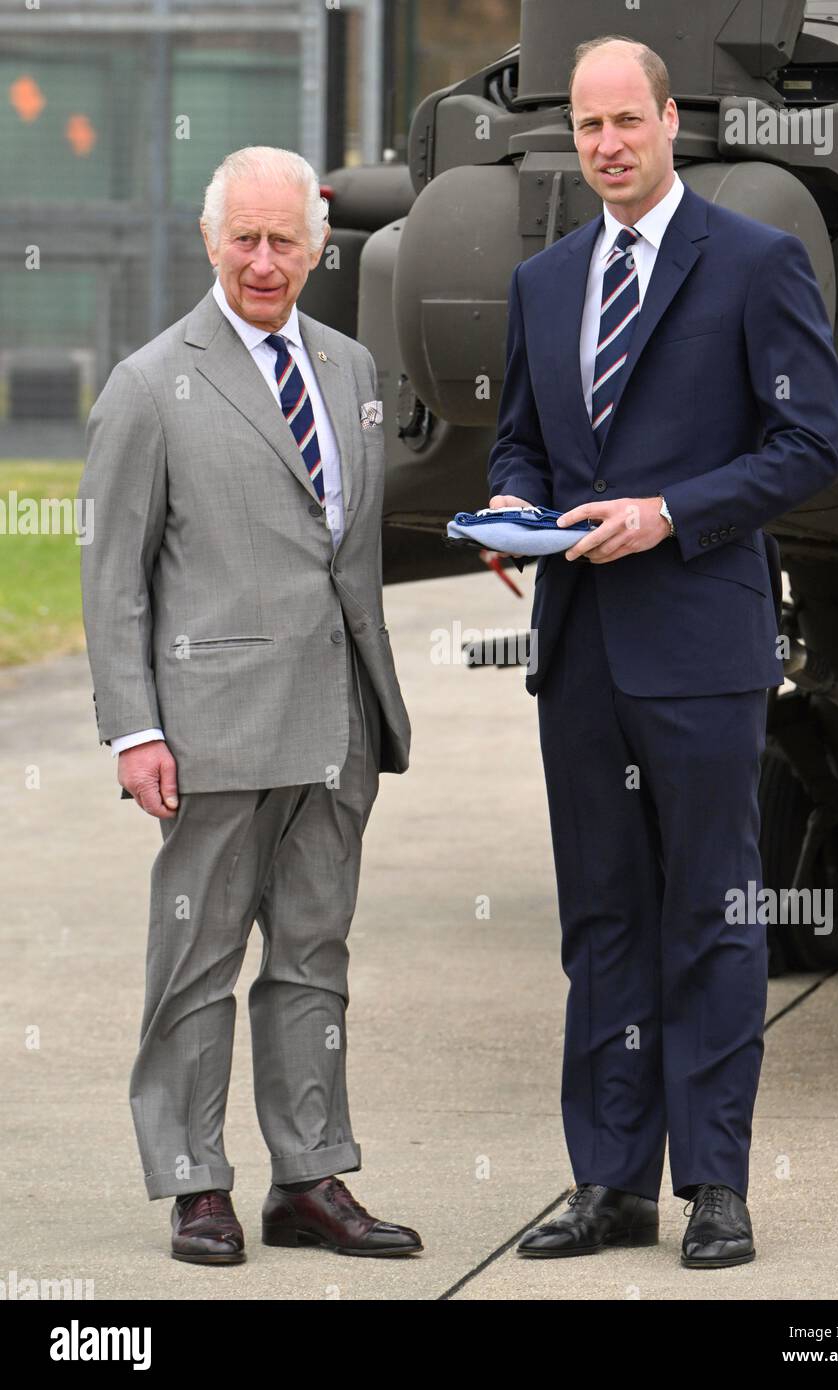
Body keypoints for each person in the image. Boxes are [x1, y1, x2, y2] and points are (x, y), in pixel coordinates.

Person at [488, 37, 838, 1266]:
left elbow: (813, 443)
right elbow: (520, 445)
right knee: (600, 919)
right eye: (586, 126)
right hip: (580, 645)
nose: (605, 144)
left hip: (698, 644)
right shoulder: (542, 282)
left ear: (669, 118)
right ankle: (608, 1183)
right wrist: (514, 517)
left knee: (710, 912)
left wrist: (669, 512)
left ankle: (717, 1185)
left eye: (624, 121)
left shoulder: (753, 263)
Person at [78, 145, 422, 1264]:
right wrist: (134, 727)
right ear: (210, 240)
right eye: (246, 240)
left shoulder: (353, 370)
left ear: (320, 247)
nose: (266, 262)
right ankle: (194, 1184)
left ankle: (310, 1177)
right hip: (211, 728)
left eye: (287, 241)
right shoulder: (149, 383)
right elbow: (112, 575)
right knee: (197, 961)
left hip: (338, 722)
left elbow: (348, 540)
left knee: (314, 956)